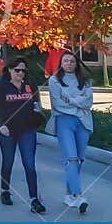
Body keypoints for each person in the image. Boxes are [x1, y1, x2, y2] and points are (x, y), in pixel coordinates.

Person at [0, 58, 46, 214]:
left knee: (29, 163)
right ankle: (5, 190)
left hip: (27, 128)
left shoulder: (29, 84)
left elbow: (36, 104)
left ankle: (34, 200)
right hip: (7, 129)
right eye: (17, 70)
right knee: (8, 160)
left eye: (23, 70)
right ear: (9, 70)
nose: (21, 73)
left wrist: (38, 116)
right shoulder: (0, 85)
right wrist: (1, 124)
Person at [47, 50, 94, 214]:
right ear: (61, 62)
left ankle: (69, 195)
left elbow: (89, 102)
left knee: (79, 159)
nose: (69, 64)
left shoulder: (85, 81)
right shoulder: (54, 81)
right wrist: (78, 102)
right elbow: (58, 104)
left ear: (76, 63)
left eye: (72, 61)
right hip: (64, 121)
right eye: (66, 61)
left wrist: (72, 101)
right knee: (71, 159)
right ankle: (78, 195)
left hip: (83, 122)